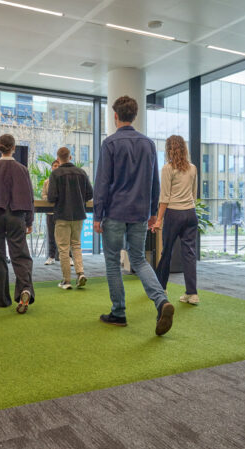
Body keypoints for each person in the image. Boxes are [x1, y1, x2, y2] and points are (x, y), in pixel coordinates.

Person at [93, 95, 174, 336]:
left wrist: (98, 214)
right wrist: (152, 212)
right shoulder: (149, 144)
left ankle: (118, 312)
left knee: (112, 262)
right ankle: (161, 301)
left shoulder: (109, 144)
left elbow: (102, 182)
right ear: (135, 116)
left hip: (115, 212)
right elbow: (154, 182)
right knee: (138, 259)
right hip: (140, 213)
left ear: (115, 116)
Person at [0, 134, 35, 313]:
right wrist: (29, 220)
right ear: (14, 148)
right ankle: (25, 289)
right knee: (20, 255)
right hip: (17, 216)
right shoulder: (22, 169)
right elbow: (29, 197)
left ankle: (0, 299)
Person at [153, 135, 199, 305]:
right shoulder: (193, 168)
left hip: (174, 213)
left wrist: (158, 220)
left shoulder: (167, 169)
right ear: (184, 148)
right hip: (190, 213)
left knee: (167, 251)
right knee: (189, 254)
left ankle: (161, 287)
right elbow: (194, 194)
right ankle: (192, 294)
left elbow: (164, 197)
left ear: (169, 149)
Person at [48, 146, 93, 290]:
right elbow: (90, 194)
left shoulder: (56, 174)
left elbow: (51, 197)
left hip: (62, 214)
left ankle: (66, 281)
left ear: (58, 158)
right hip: (78, 214)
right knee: (76, 245)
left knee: (63, 248)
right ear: (70, 157)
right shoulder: (81, 172)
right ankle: (80, 273)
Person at [42, 159, 60, 266]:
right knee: (51, 236)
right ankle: (51, 257)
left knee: (65, 236)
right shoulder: (46, 182)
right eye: (54, 165)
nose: (56, 167)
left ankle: (68, 257)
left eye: (58, 165)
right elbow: (43, 195)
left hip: (62, 213)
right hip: (50, 213)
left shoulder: (64, 180)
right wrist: (49, 198)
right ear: (52, 167)